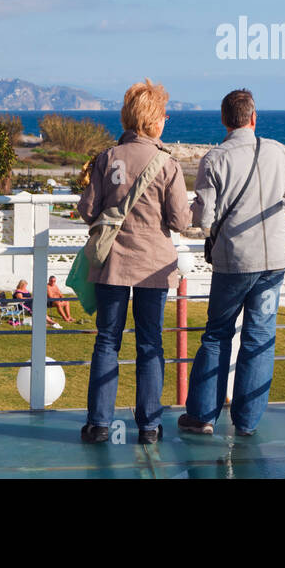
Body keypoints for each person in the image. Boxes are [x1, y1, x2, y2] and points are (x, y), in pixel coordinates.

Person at [179, 89, 285, 437]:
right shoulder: (277, 151)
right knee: (259, 336)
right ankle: (247, 422)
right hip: (273, 259)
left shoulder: (214, 159)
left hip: (235, 260)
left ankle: (203, 415)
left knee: (218, 335)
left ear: (224, 120)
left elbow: (204, 217)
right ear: (253, 117)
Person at [77, 79, 191, 445]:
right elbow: (180, 221)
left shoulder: (106, 158)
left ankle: (98, 424)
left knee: (107, 342)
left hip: (111, 263)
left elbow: (88, 210)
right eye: (164, 115)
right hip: (153, 267)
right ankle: (149, 427)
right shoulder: (167, 164)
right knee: (150, 344)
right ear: (154, 120)